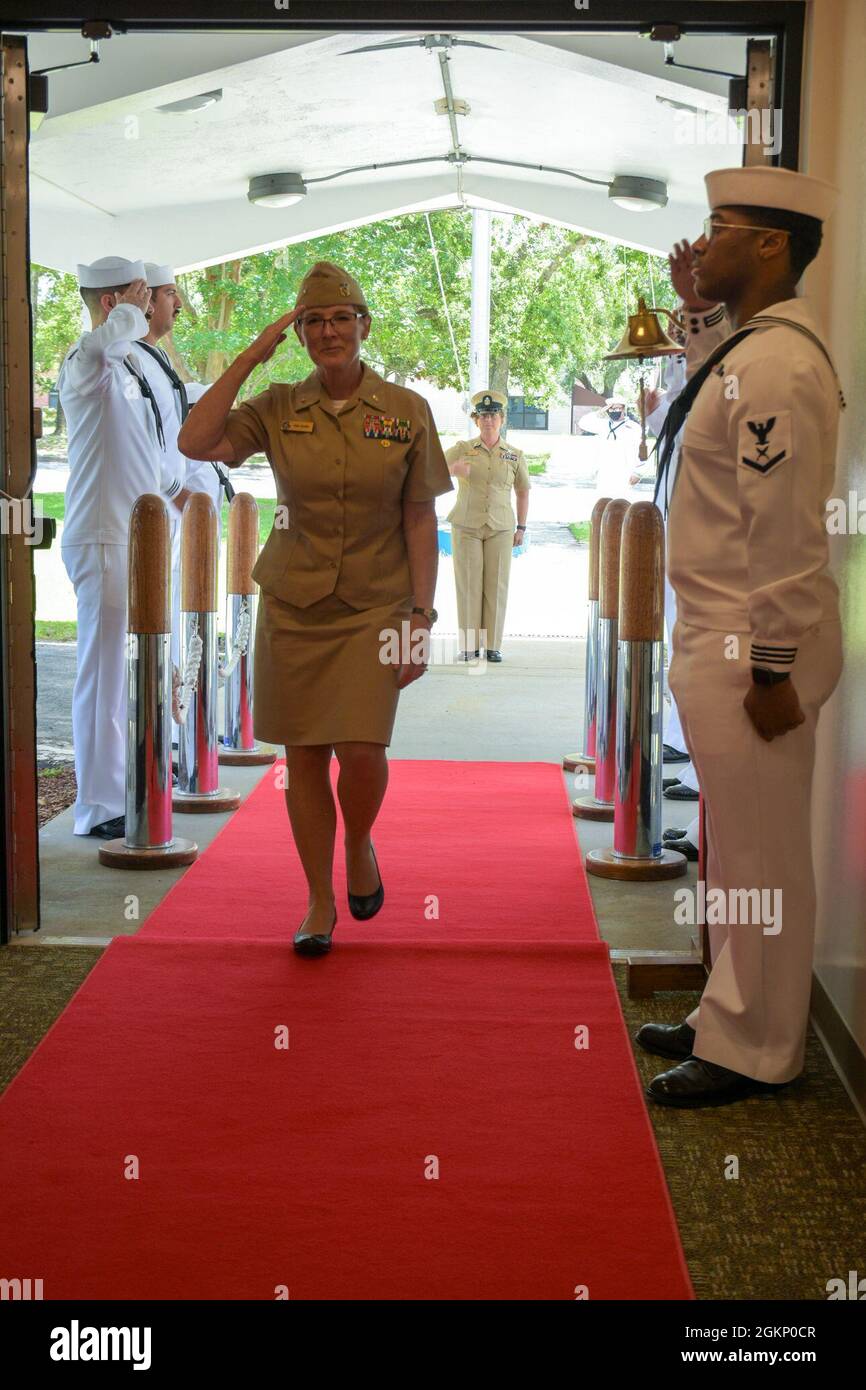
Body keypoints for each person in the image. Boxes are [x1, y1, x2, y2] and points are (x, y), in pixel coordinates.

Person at [634, 166, 844, 1108]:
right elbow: (713, 416)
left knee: (760, 855)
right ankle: (730, 1007)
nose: (700, 244)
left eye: (719, 228)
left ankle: (758, 1046)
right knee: (736, 844)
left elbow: (789, 532)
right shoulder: (751, 350)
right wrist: (697, 312)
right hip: (722, 636)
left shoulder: (780, 366)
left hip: (752, 649)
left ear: (770, 246)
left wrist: (773, 668)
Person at [177, 260, 453, 956]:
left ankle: (358, 842)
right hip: (295, 605)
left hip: (379, 604)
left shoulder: (406, 410)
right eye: (313, 322)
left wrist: (422, 619)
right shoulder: (276, 406)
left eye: (340, 318)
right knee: (304, 758)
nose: (328, 331)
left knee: (362, 750)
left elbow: (420, 519)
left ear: (364, 325)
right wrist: (249, 355)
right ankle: (319, 900)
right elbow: (195, 441)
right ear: (298, 335)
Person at [59, 256, 190, 839]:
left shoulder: (138, 362)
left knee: (148, 670)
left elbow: (155, 448)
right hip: (107, 538)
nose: (175, 304)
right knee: (107, 674)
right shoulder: (87, 359)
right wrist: (126, 318)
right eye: (155, 295)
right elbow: (97, 351)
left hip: (146, 538)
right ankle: (100, 804)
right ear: (117, 305)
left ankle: (144, 777)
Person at [444, 389, 531, 662]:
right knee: (469, 584)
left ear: (502, 419)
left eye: (493, 415)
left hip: (501, 527)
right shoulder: (462, 449)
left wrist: (522, 527)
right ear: (476, 420)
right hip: (467, 525)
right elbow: (432, 467)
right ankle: (469, 646)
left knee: (496, 585)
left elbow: (523, 491)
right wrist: (454, 470)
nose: (488, 420)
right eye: (483, 416)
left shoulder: (514, 455)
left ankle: (493, 645)